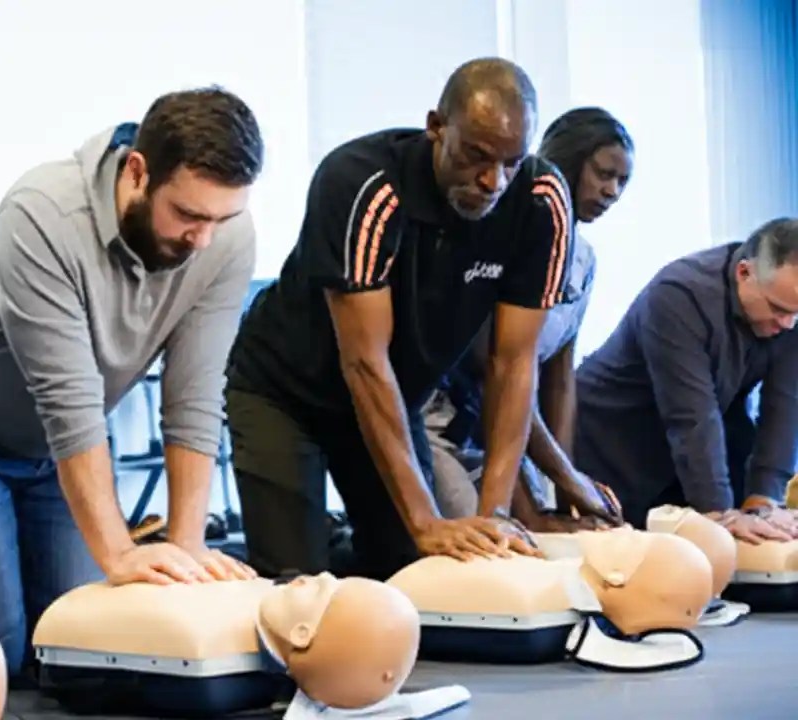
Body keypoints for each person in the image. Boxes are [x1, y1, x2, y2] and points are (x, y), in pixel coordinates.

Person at [0, 87, 264, 677]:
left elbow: (194, 395)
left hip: (54, 448)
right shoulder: (43, 214)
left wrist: (188, 549)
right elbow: (68, 404)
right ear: (138, 172)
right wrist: (119, 553)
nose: (203, 239)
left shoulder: (226, 236)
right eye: (189, 215)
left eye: (220, 219)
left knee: (73, 643)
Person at [224, 57, 570, 582]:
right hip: (287, 391)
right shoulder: (363, 182)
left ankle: (348, 548)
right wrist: (425, 518)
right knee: (300, 589)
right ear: (436, 127)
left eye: (511, 162)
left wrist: (494, 516)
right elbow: (363, 361)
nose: (492, 180)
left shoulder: (541, 200)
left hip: (393, 394)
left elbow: (513, 362)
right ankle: (315, 548)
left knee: (417, 573)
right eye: (476, 155)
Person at [424, 107, 635, 531]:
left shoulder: (584, 260)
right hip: (446, 420)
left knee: (560, 536)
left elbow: (558, 378)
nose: (612, 191)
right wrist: (540, 496)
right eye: (604, 173)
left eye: (622, 181)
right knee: (484, 543)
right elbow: (496, 377)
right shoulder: (505, 235)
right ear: (570, 160)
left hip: (516, 431)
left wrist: (561, 488)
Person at [573, 217, 798, 543]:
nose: (789, 324)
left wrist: (763, 501)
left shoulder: (789, 307)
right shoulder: (679, 295)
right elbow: (691, 416)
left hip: (699, 447)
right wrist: (719, 513)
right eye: (778, 309)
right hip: (615, 441)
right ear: (744, 273)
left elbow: (785, 406)